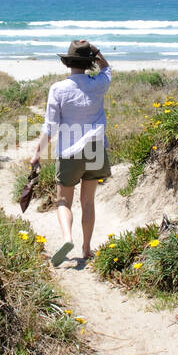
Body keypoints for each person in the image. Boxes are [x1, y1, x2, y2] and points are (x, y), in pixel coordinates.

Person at [30, 40, 111, 266]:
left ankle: (67, 238)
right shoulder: (99, 84)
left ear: (68, 63)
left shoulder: (58, 89)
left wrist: (38, 152)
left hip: (69, 152)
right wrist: (96, 50)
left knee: (63, 200)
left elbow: (50, 126)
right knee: (88, 202)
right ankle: (86, 248)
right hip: (96, 149)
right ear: (89, 63)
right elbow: (108, 69)